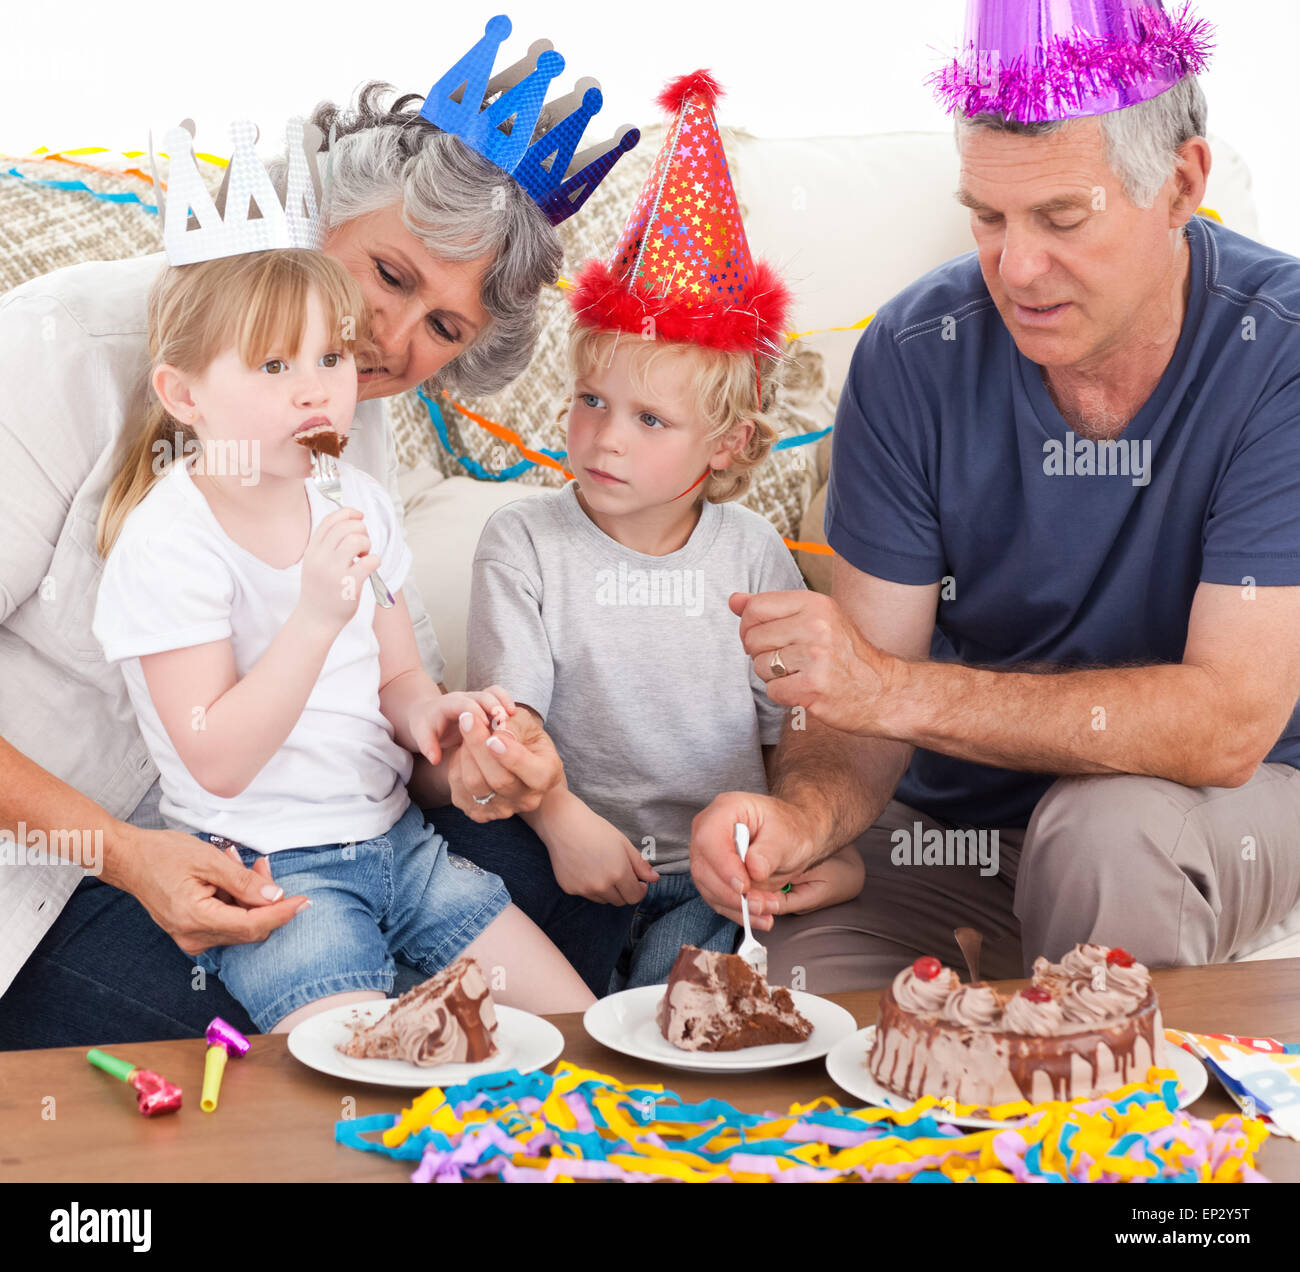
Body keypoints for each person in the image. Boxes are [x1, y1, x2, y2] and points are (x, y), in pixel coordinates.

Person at [0, 19, 636, 1046]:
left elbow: (395, 697)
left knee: (533, 871)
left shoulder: (348, 430)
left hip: (301, 835)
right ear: (314, 223)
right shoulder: (66, 348)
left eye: (445, 327)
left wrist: (471, 754)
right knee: (222, 1037)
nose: (390, 341)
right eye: (389, 276)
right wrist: (126, 854)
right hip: (50, 867)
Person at [689, 0, 1300, 991]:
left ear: (1181, 184)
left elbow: (1225, 726)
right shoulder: (910, 352)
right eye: (988, 218)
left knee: (1103, 836)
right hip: (953, 835)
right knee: (808, 1010)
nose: (1017, 269)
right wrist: (801, 821)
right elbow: (858, 689)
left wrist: (891, 691)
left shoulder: (1279, 351)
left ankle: (1103, 1139)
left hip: (1205, 809)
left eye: (1061, 218)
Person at [92, 244, 593, 1030]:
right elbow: (217, 759)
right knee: (362, 1070)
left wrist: (437, 716)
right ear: (183, 394)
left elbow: (398, 680)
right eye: (272, 366)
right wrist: (316, 618)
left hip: (400, 847)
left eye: (329, 356)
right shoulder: (169, 544)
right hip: (270, 875)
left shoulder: (353, 500)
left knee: (577, 1028)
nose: (313, 392)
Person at [454, 72, 864, 993]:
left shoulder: (753, 551)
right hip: (564, 850)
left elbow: (789, 738)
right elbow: (505, 729)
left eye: (649, 420)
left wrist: (811, 853)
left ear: (725, 446)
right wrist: (561, 818)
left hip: (710, 874)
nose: (603, 436)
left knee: (700, 993)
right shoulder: (522, 542)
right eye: (591, 401)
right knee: (462, 858)